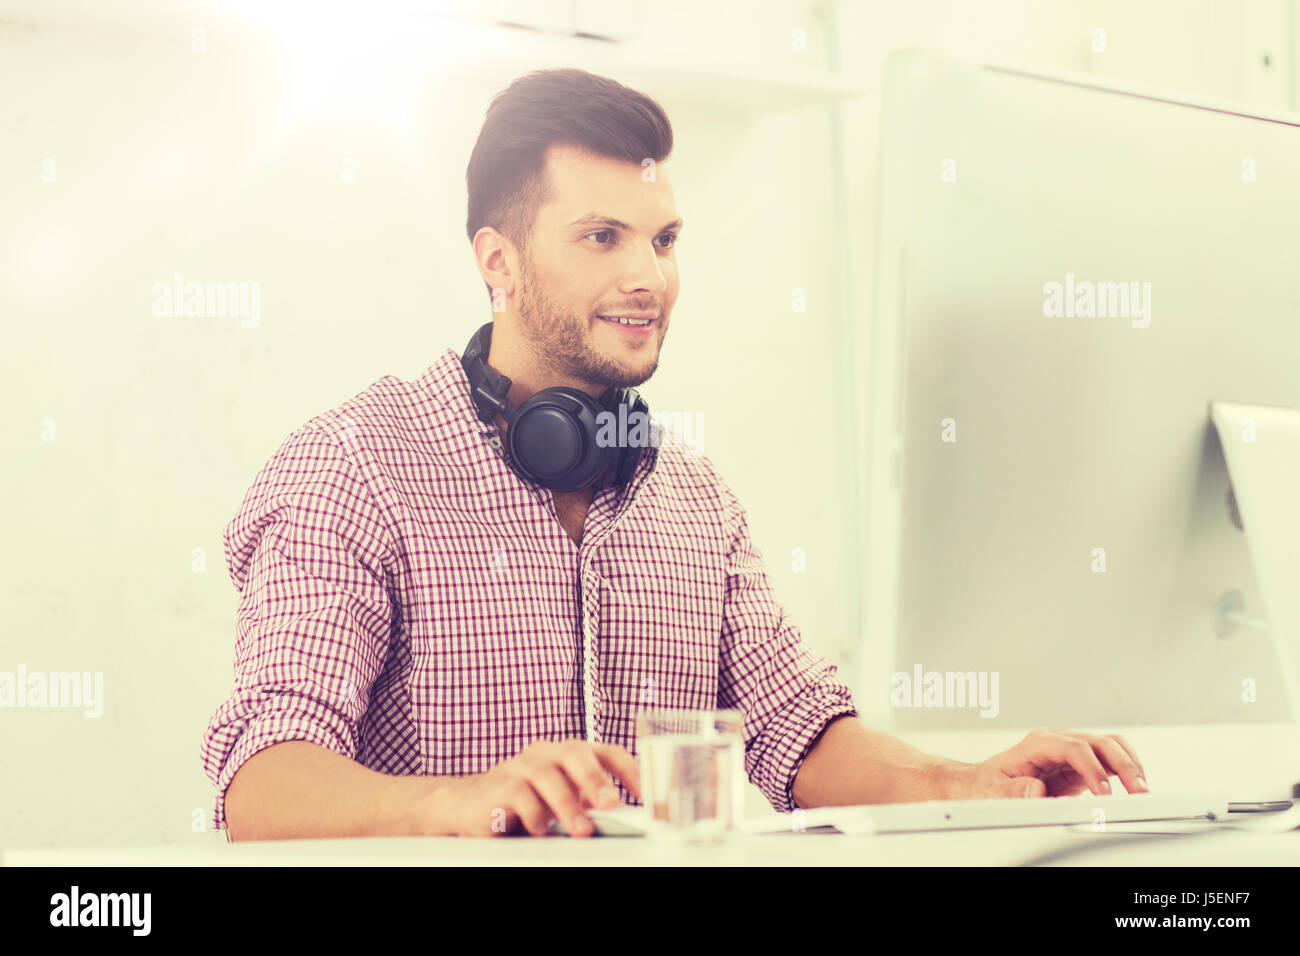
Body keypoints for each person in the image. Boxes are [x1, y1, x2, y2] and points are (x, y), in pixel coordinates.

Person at [201, 68, 1148, 841]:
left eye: (663, 239)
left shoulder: (694, 498)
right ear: (498, 261)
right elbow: (263, 780)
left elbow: (799, 734)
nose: (647, 277)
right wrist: (455, 802)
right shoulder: (352, 467)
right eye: (602, 237)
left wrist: (970, 784)